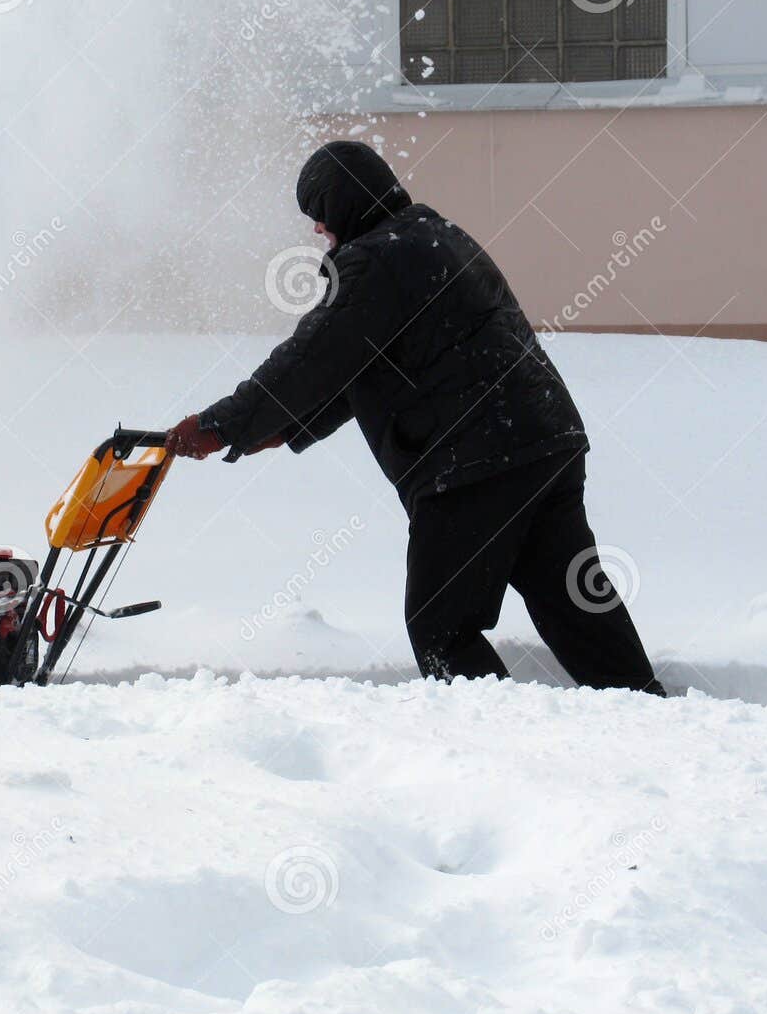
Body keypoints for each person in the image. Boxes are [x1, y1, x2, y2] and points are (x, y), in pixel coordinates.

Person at [166, 140, 665, 697]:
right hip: (541, 447)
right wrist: (282, 428)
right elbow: (360, 366)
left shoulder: (375, 259)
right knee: (578, 613)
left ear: (341, 202)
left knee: (440, 628)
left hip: (475, 466)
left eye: (318, 214)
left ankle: (509, 748)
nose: (316, 230)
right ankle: (651, 723)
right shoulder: (434, 235)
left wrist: (222, 424)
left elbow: (312, 359)